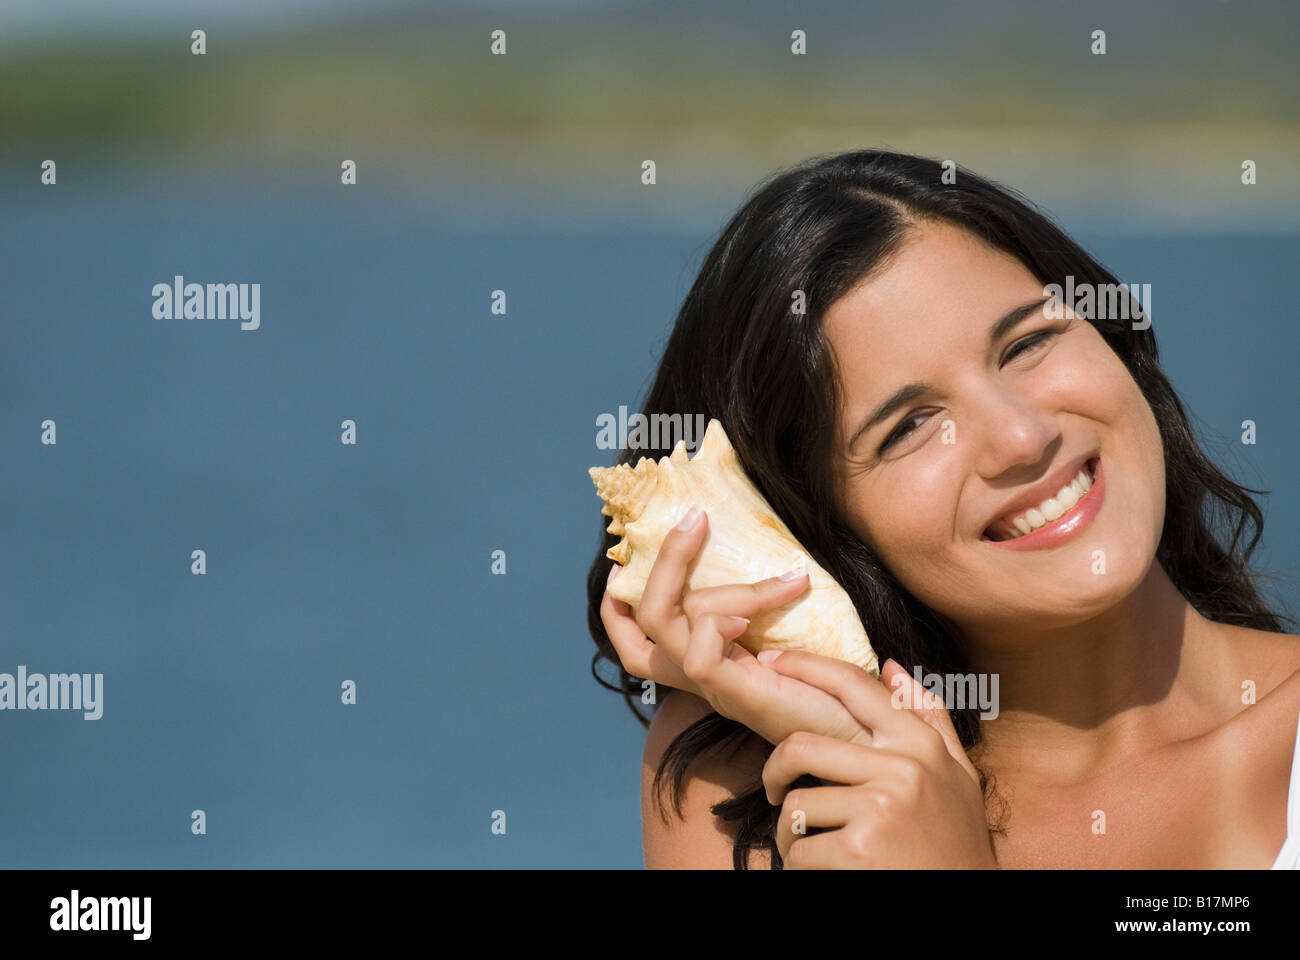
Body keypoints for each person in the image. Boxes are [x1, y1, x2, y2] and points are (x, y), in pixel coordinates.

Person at [584, 149, 1300, 869]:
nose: (1023, 436)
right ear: (816, 529)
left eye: (1027, 343)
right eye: (909, 425)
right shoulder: (757, 799)